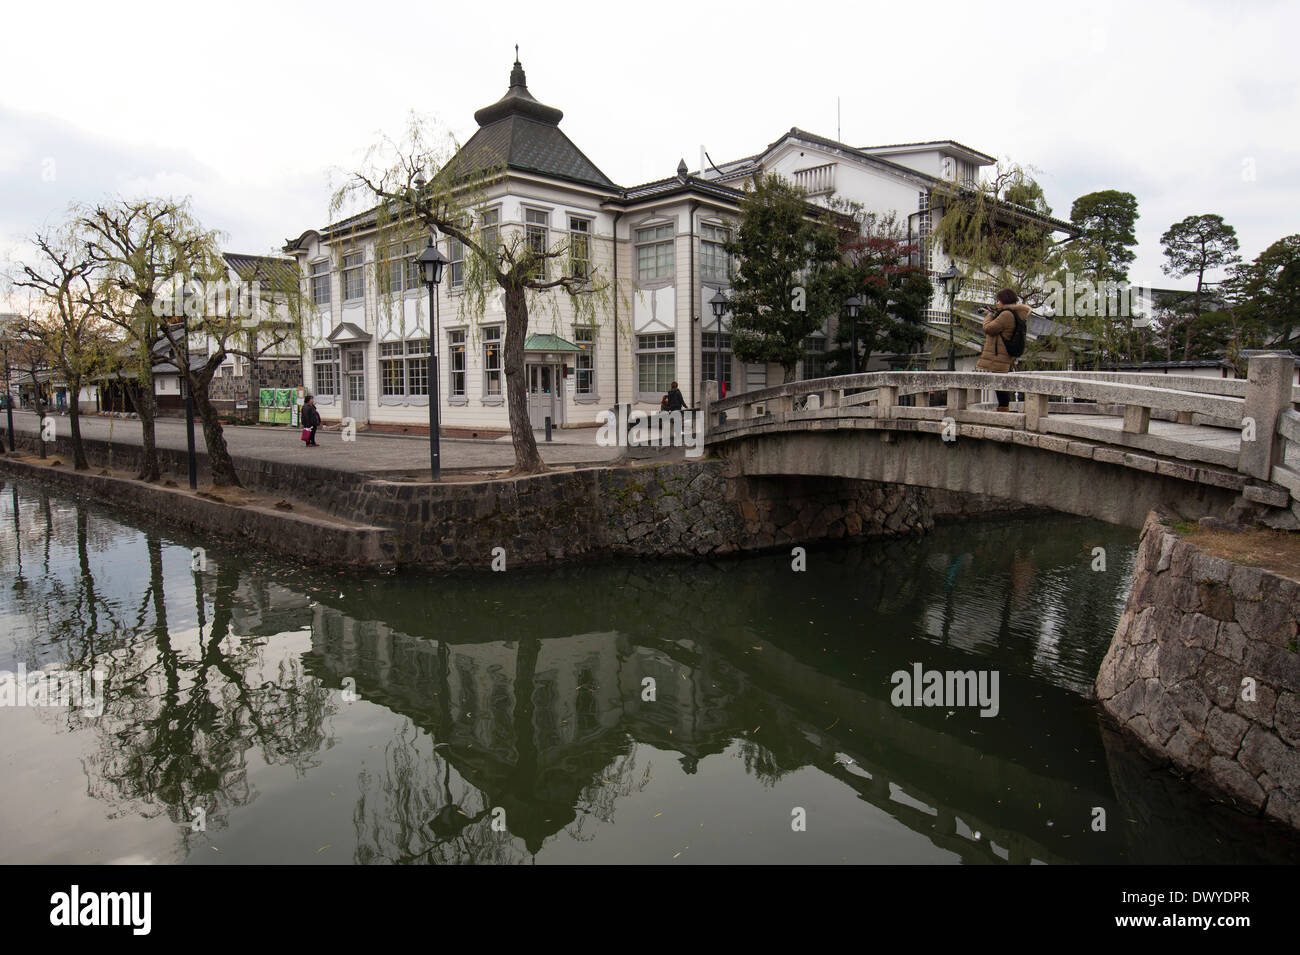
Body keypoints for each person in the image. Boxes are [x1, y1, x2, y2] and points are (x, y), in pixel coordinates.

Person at [976, 288, 1030, 412]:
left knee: (999, 382)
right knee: (999, 381)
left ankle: (1003, 409)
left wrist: (988, 316)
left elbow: (989, 328)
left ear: (1004, 300)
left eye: (998, 300)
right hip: (1002, 353)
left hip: (999, 353)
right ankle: (1003, 407)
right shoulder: (1012, 313)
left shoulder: (1006, 314)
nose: (997, 303)